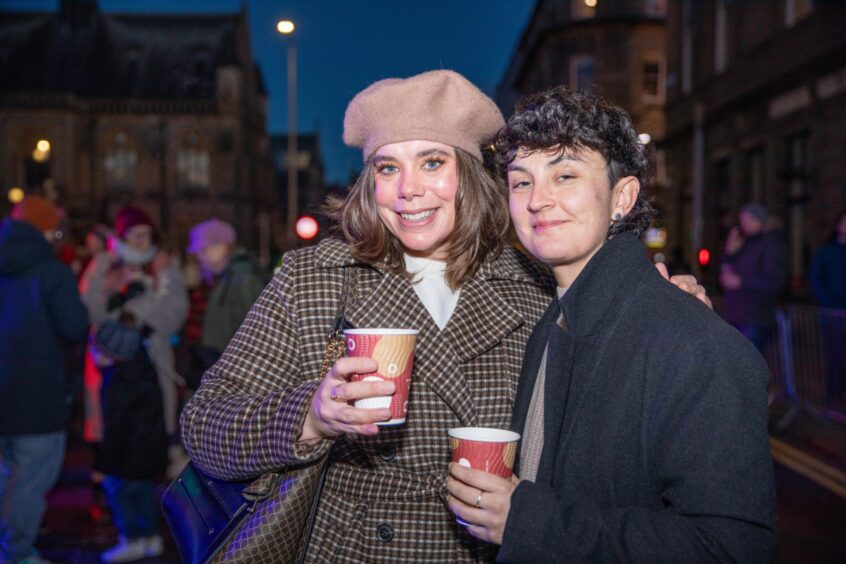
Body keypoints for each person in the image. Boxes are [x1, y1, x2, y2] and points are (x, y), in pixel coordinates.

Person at [181, 70, 708, 562]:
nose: (409, 189)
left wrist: (656, 310)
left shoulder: (538, 285)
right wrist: (312, 416)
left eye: (432, 162)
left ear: (470, 176)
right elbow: (203, 426)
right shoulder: (314, 280)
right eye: (388, 168)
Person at [446, 86, 777, 562]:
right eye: (521, 182)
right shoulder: (551, 324)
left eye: (565, 175)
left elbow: (733, 548)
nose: (538, 199)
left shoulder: (697, 346)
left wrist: (528, 521)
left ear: (622, 197)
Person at [78, 206, 187, 561]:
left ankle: (144, 533)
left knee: (143, 456)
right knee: (114, 459)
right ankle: (131, 530)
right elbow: (87, 311)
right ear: (121, 236)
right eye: (134, 233)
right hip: (111, 376)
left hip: (150, 376)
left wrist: (131, 311)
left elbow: (173, 312)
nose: (141, 240)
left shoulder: (164, 268)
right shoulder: (104, 266)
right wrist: (112, 289)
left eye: (146, 233)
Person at [0, 196, 89, 563]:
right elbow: (75, 326)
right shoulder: (51, 272)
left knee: (6, 477)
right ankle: (16, 552)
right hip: (39, 397)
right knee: (30, 483)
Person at [180, 218, 265, 389]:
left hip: (228, 374)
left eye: (204, 250)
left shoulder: (244, 280)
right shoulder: (212, 279)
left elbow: (255, 332)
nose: (200, 256)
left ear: (224, 246)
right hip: (206, 366)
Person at [719, 203, 787, 352]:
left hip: (756, 316)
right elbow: (726, 273)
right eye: (742, 220)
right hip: (736, 314)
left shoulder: (771, 244)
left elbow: (775, 280)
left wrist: (741, 282)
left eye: (749, 220)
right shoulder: (743, 243)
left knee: (750, 361)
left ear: (760, 220)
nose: (745, 224)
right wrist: (729, 253)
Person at [809, 210, 846, 398]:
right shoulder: (826, 252)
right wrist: (828, 304)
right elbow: (817, 279)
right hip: (833, 315)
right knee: (835, 356)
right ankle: (834, 394)